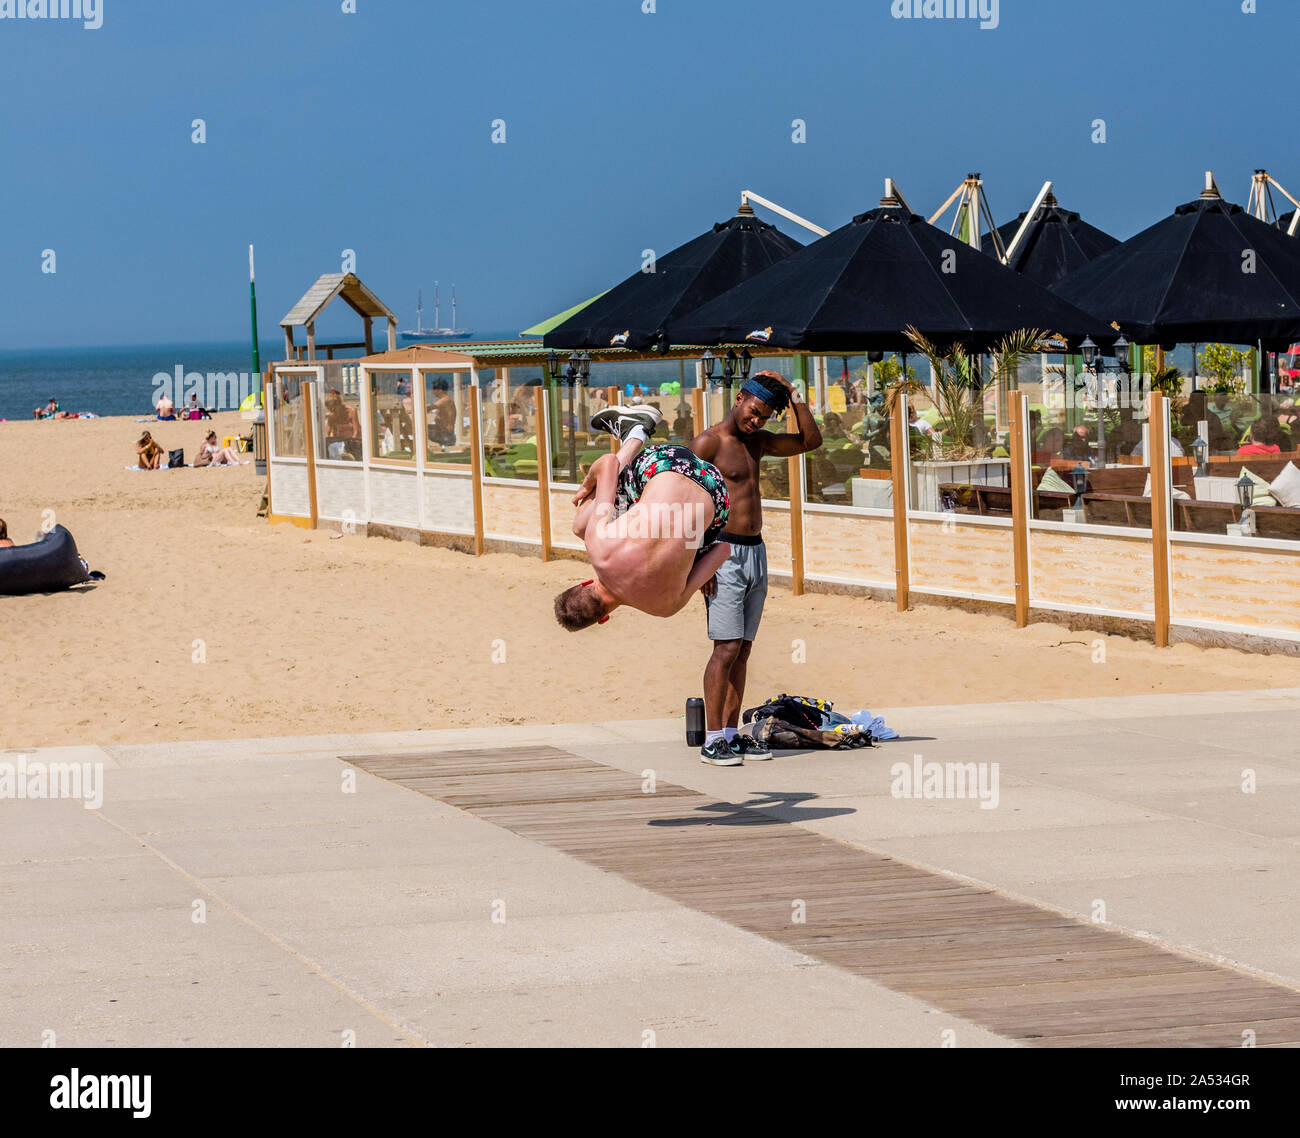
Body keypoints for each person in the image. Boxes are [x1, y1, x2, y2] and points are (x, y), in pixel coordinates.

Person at [556, 409, 736, 757]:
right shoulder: (599, 549)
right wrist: (589, 482)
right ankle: (635, 433)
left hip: (717, 493)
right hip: (669, 462)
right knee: (581, 525)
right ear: (583, 583)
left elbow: (724, 549)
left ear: (604, 618)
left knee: (616, 523)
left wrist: (692, 563)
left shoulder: (665, 607)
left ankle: (634, 432)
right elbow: (609, 463)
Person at [688, 371, 822, 765]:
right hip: (722, 554)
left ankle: (732, 735)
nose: (757, 421)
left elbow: (809, 442)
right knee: (725, 649)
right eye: (754, 411)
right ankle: (713, 740)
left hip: (756, 553)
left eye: (764, 416)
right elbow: (683, 502)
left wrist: (795, 394)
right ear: (739, 397)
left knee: (743, 650)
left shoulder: (758, 442)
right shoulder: (708, 442)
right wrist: (700, 563)